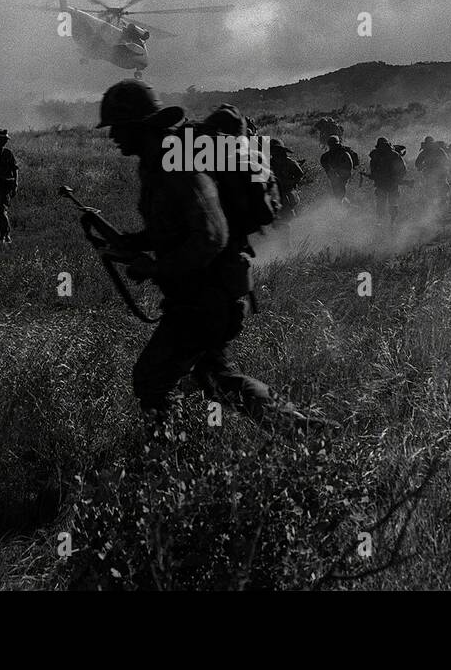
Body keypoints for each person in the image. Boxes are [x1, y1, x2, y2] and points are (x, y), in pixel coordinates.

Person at [95, 80, 305, 428]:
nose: (113, 136)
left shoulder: (176, 163)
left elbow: (212, 235)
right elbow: (178, 227)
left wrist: (156, 267)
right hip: (204, 294)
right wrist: (136, 242)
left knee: (152, 378)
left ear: (139, 124)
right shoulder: (157, 162)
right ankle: (298, 428)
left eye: (117, 127)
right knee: (217, 378)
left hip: (208, 297)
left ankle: (163, 456)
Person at [368, 137, 407, 225]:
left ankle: (388, 221)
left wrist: (397, 179)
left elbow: (402, 169)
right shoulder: (381, 155)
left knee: (387, 202)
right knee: (386, 202)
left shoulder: (391, 155)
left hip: (388, 183)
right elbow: (373, 169)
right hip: (385, 183)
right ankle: (386, 221)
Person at [268, 139, 304, 221]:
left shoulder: (290, 162)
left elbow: (300, 175)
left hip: (287, 191)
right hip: (274, 192)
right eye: (272, 150)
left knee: (287, 213)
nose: (274, 152)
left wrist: (291, 182)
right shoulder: (268, 163)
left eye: (276, 150)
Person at [415, 136, 450, 204]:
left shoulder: (438, 151)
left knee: (441, 186)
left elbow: (446, 161)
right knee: (431, 187)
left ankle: (442, 201)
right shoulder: (436, 151)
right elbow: (417, 163)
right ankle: (436, 202)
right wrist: (423, 166)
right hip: (431, 172)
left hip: (438, 172)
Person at [319, 134, 354, 201]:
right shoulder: (327, 155)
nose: (332, 146)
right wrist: (331, 173)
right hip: (334, 177)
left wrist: (342, 176)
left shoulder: (344, 154)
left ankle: (342, 206)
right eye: (331, 145)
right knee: (337, 194)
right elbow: (325, 164)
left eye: (333, 145)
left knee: (340, 194)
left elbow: (349, 167)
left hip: (342, 177)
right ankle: (342, 204)